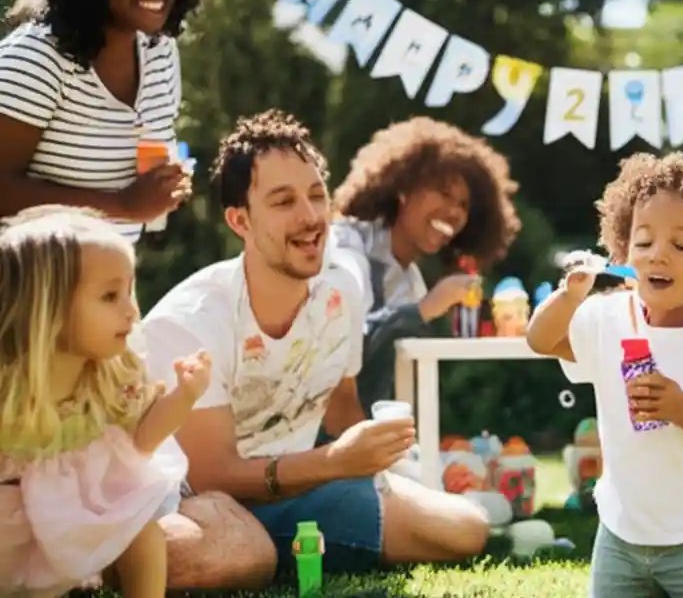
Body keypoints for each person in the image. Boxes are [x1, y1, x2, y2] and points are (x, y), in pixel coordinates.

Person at [141, 111, 489, 576]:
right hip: (198, 501)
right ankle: (116, 559)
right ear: (240, 220)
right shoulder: (192, 322)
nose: (309, 217)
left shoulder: (341, 289)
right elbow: (211, 474)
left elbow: (341, 404)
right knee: (246, 554)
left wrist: (376, 458)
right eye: (284, 201)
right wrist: (333, 462)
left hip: (299, 490)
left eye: (316, 196)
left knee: (465, 529)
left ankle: (295, 547)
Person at [527, 150, 683, 598]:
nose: (659, 256)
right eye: (643, 243)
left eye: (682, 246)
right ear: (623, 253)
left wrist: (681, 408)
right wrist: (569, 296)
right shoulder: (608, 317)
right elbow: (541, 340)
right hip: (621, 535)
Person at [0, 206, 210, 596]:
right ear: (49, 308)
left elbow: (142, 442)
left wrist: (184, 396)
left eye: (129, 291)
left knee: (141, 528)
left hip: (76, 511)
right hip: (11, 522)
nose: (131, 310)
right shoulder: (8, 385)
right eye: (110, 296)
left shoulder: (113, 375)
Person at [0, 0, 198, 239]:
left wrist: (163, 187)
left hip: (110, 268)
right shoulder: (37, 57)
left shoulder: (160, 52)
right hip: (33, 272)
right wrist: (122, 205)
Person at [330, 116, 521, 414]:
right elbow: (340, 349)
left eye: (464, 205)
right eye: (444, 193)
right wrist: (425, 308)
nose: (454, 212)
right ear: (403, 189)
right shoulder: (346, 246)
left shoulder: (411, 282)